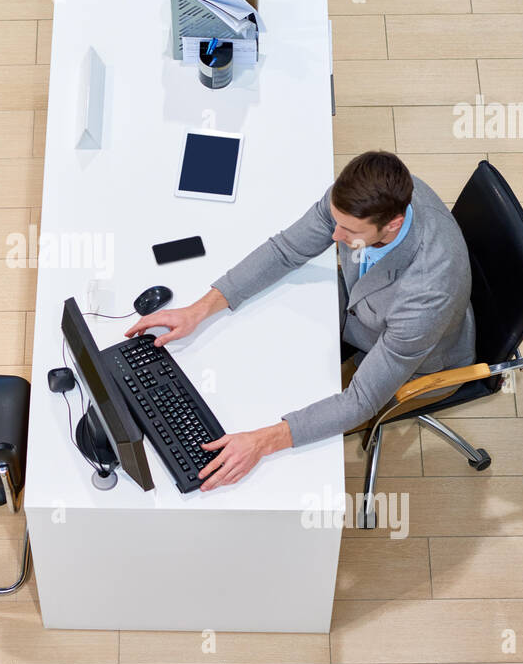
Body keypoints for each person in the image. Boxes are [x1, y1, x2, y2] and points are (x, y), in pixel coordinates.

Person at [126, 151, 475, 491]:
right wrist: (199, 309)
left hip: (419, 361)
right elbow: (286, 250)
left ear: (393, 225)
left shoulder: (427, 294)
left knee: (292, 434)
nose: (334, 236)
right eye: (335, 221)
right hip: (362, 308)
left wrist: (263, 442)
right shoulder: (364, 197)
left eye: (348, 231)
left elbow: (361, 401)